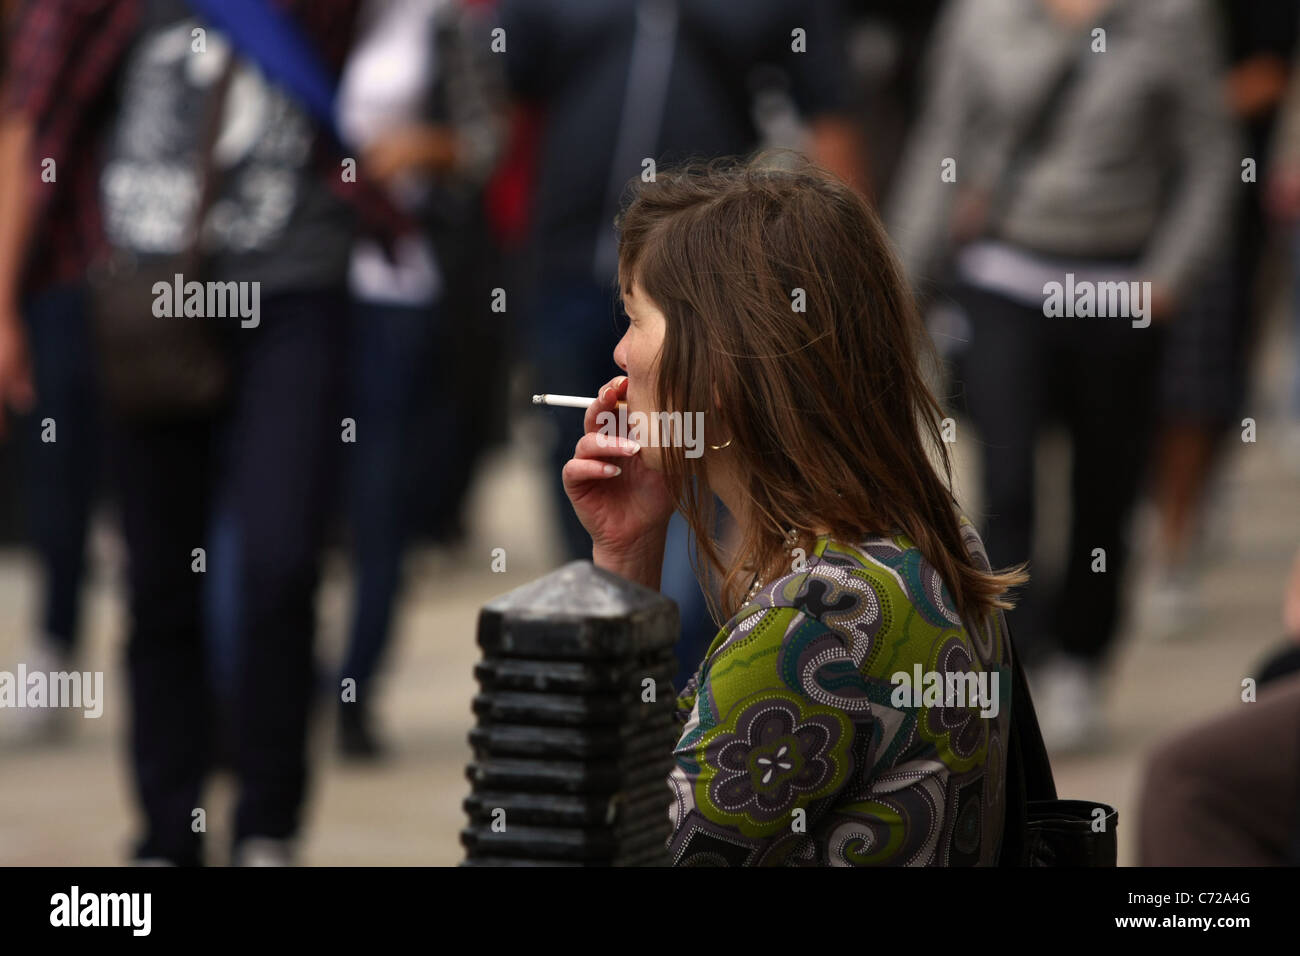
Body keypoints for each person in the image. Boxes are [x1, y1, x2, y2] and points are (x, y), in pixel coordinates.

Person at [563, 157, 1027, 865]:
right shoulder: (927, 538)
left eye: (635, 318)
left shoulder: (814, 621)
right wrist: (628, 551)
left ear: (718, 363)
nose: (621, 355)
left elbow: (604, 844)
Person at [886, 0, 1236, 751]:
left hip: (1120, 282)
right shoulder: (980, 18)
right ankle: (1010, 661)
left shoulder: (1173, 19)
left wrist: (1171, 278)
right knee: (1006, 482)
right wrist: (899, 287)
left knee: (1104, 487)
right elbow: (940, 144)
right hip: (1006, 275)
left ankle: (1082, 652)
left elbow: (1211, 156)